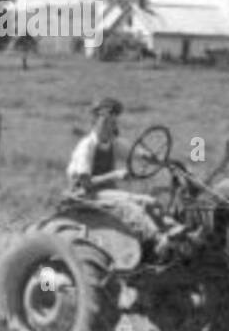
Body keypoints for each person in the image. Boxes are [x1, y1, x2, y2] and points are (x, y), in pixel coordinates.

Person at [66, 98, 174, 255]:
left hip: (104, 193)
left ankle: (174, 230)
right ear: (96, 122)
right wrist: (114, 175)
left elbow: (137, 153)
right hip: (84, 196)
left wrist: (158, 159)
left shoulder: (113, 143)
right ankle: (159, 241)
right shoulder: (86, 146)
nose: (111, 127)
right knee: (132, 208)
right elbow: (85, 184)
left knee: (150, 201)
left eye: (113, 123)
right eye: (107, 123)